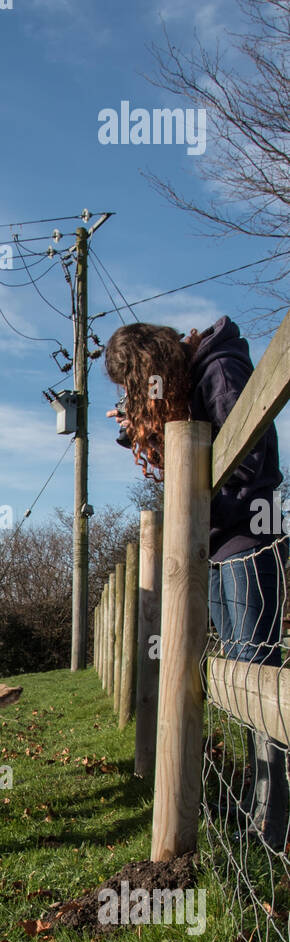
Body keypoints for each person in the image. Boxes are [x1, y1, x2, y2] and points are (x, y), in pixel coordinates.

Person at [104, 317, 288, 849]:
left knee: (258, 677)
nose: (137, 395)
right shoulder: (191, 383)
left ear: (153, 366)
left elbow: (250, 466)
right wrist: (150, 435)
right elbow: (197, 456)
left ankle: (270, 823)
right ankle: (255, 808)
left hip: (247, 541)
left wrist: (197, 513)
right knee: (233, 677)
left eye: (137, 383)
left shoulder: (221, 369)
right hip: (218, 545)